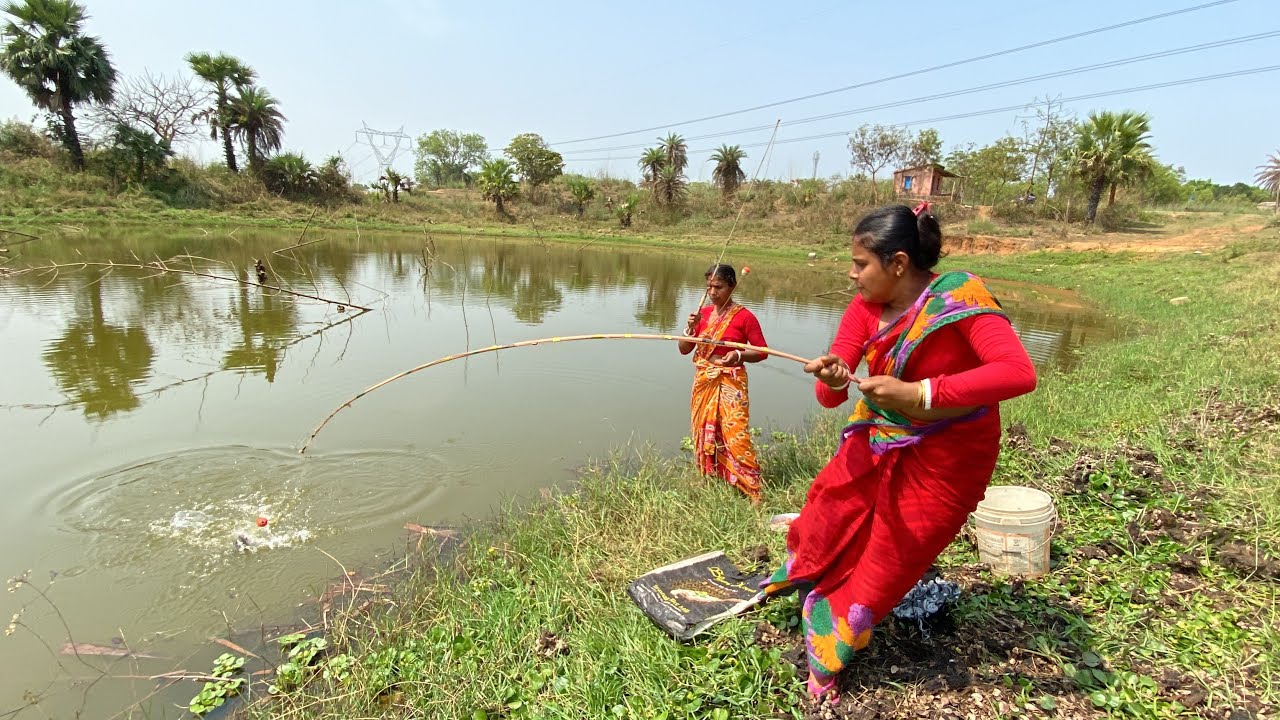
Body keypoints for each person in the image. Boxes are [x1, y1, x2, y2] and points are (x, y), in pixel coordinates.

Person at [761, 202, 1037, 698]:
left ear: (898, 263)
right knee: (826, 512)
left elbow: (1018, 373)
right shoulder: (864, 309)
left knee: (892, 555)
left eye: (860, 264)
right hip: (878, 437)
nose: (851, 275)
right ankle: (810, 575)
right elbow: (830, 397)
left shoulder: (958, 298)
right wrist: (830, 377)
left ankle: (831, 649)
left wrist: (920, 394)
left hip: (950, 455)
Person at [678, 263, 769, 501]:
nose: (712, 292)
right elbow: (684, 350)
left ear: (732, 286)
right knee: (705, 429)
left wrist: (738, 355)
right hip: (704, 381)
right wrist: (689, 329)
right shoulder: (702, 315)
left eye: (718, 287)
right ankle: (712, 478)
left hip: (730, 382)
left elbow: (761, 351)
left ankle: (752, 489)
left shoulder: (744, 317)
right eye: (709, 287)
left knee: (735, 432)